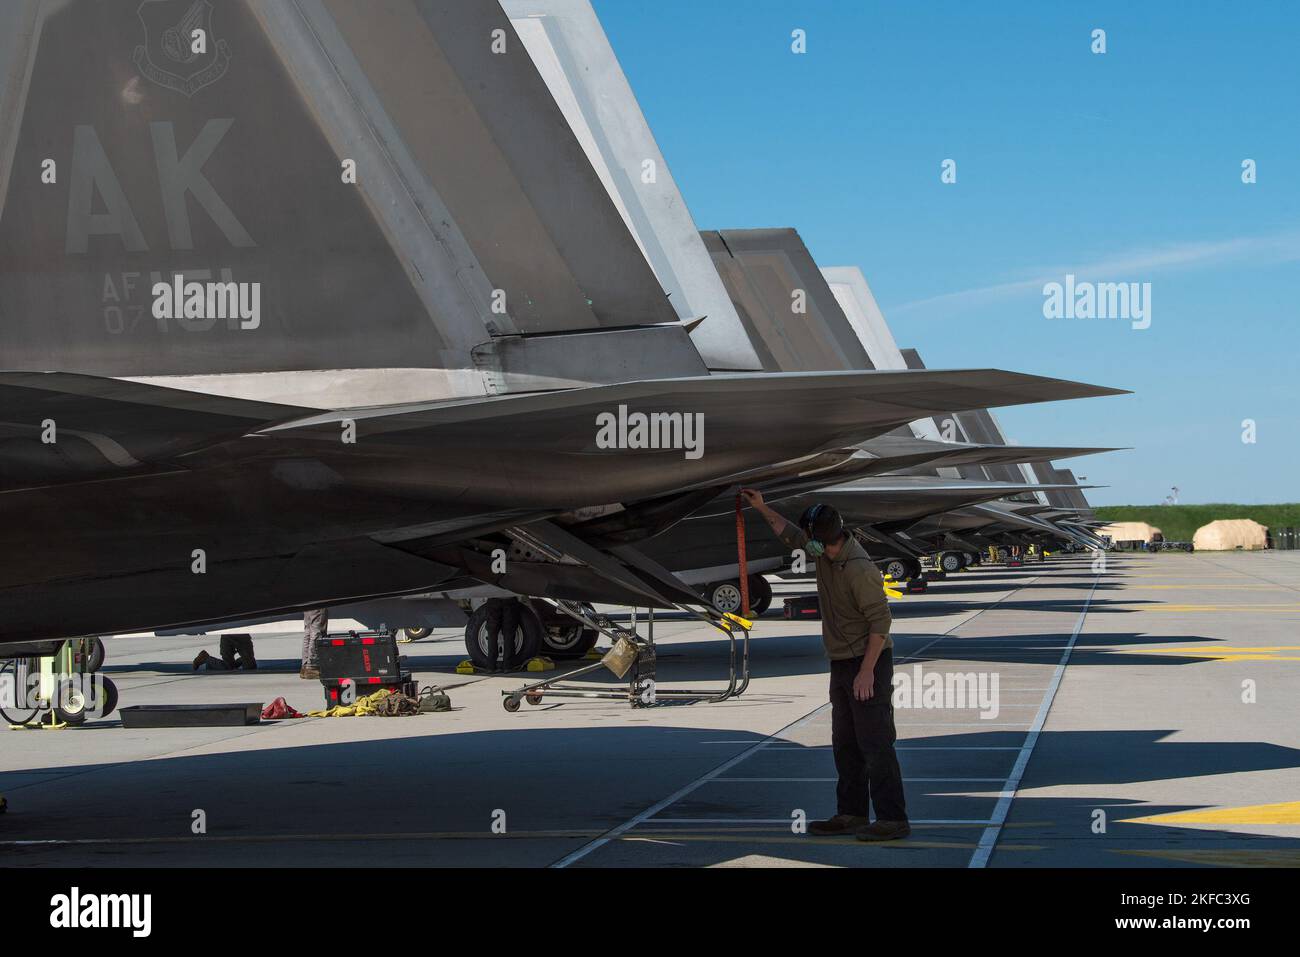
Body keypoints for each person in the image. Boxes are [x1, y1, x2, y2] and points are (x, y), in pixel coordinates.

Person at [741, 488, 910, 842]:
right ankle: (851, 813)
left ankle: (893, 819)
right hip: (841, 661)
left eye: (812, 540)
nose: (807, 546)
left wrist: (866, 672)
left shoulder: (859, 569)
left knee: (876, 743)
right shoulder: (826, 553)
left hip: (869, 662)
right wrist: (761, 507)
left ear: (825, 539)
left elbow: (881, 622)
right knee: (845, 743)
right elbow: (790, 533)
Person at [484, 599, 523, 673]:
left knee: (492, 634)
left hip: (493, 599)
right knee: (509, 635)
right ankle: (508, 666)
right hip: (509, 599)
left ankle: (490, 667)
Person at [193, 634, 257, 671]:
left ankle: (207, 659)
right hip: (236, 633)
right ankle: (206, 659)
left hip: (232, 633)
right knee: (249, 667)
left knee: (230, 666)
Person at [301, 608, 328, 680]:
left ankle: (305, 666)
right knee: (317, 632)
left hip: (307, 603)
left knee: (308, 632)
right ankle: (312, 666)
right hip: (317, 603)